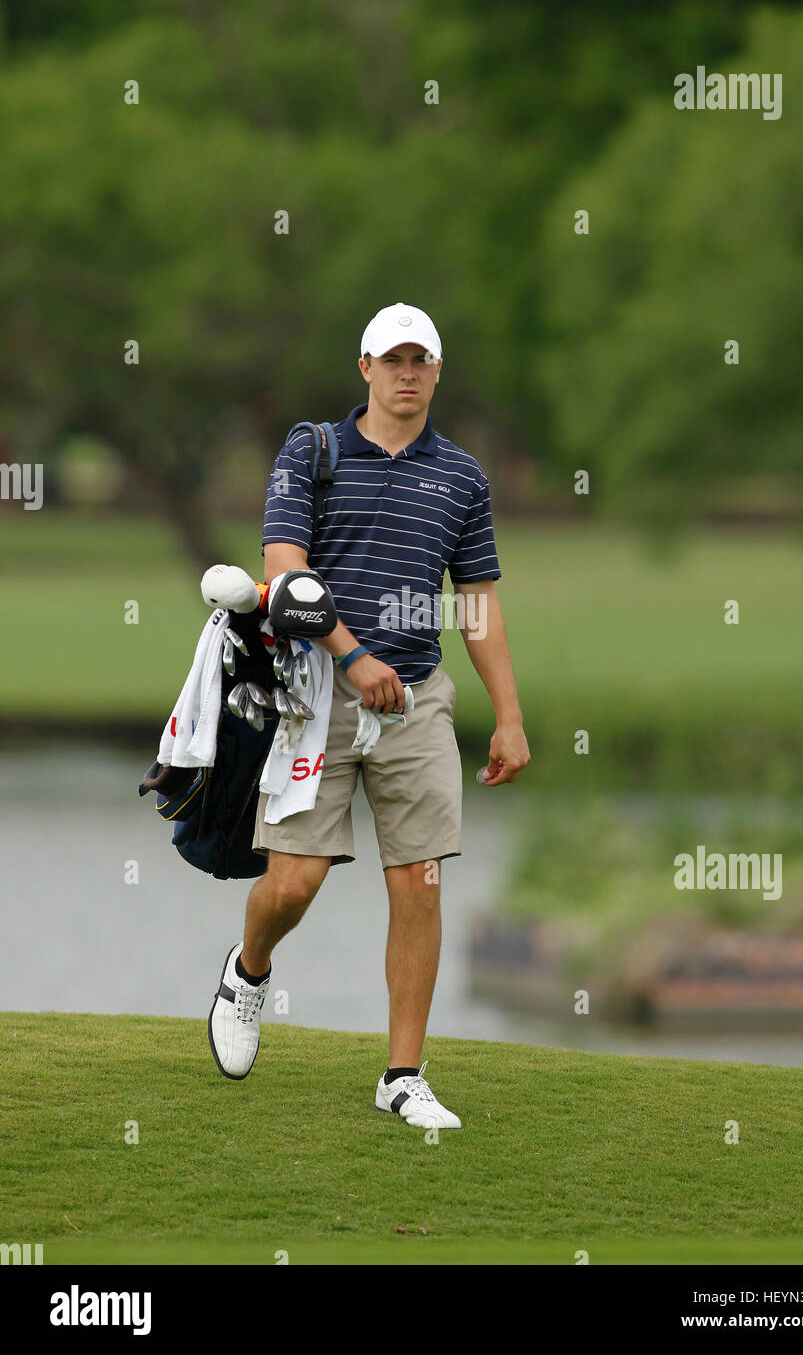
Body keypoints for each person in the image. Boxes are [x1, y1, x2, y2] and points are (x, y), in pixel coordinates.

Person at [208, 302, 530, 1128]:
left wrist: (509, 716)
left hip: (417, 700)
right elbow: (284, 574)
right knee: (294, 882)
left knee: (420, 884)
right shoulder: (310, 450)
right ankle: (247, 973)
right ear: (366, 368)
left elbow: (479, 604)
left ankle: (401, 1074)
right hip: (317, 692)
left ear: (437, 371)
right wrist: (354, 655)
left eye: (421, 359)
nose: (407, 372)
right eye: (393, 359)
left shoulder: (461, 477)